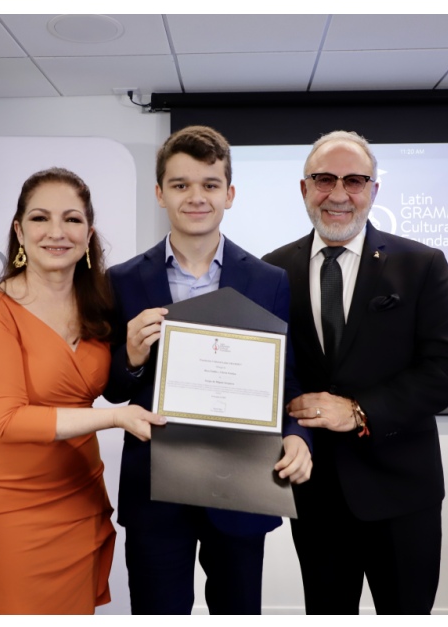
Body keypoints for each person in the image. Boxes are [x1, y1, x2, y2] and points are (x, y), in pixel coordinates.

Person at [102, 126, 313, 614]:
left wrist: (298, 434)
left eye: (210, 184)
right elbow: (110, 390)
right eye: (180, 185)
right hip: (155, 488)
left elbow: (287, 379)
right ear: (160, 194)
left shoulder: (269, 281)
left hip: (241, 484)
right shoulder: (122, 280)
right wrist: (131, 357)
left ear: (229, 194)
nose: (196, 197)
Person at [262, 131, 448, 614]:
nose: (338, 194)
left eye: (354, 181)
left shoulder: (421, 265)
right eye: (324, 180)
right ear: (304, 188)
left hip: (402, 493)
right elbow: (272, 372)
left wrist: (358, 411)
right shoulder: (273, 271)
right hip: (315, 495)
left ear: (374, 190)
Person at [0, 167, 165, 614]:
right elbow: (5, 420)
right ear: (19, 231)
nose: (56, 232)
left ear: (88, 233)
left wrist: (133, 356)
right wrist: (116, 418)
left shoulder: (100, 307)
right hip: (3, 496)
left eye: (71, 219)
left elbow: (112, 386)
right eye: (40, 218)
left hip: (77, 492)